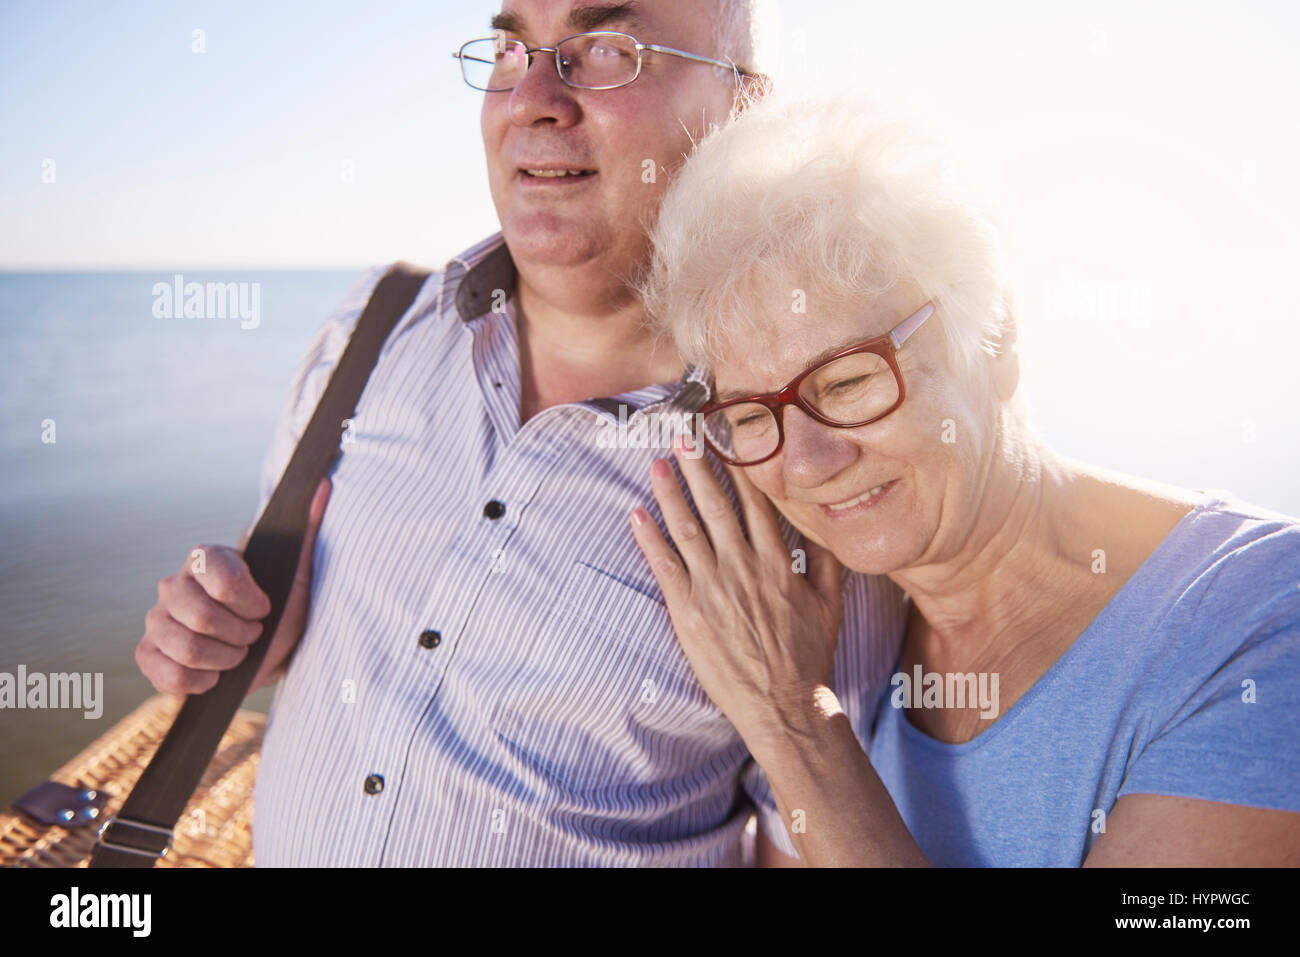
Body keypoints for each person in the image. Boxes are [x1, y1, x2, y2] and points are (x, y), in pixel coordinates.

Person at [134, 2, 907, 866]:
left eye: (606, 48)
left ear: (742, 108)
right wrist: (236, 626)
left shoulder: (801, 470)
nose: (532, 96)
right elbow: (284, 606)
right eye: (511, 48)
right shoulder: (371, 329)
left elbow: (806, 843)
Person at [630, 95, 1300, 866]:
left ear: (995, 336)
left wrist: (792, 722)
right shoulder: (840, 648)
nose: (809, 462)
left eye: (848, 383)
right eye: (752, 416)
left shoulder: (1263, 619)